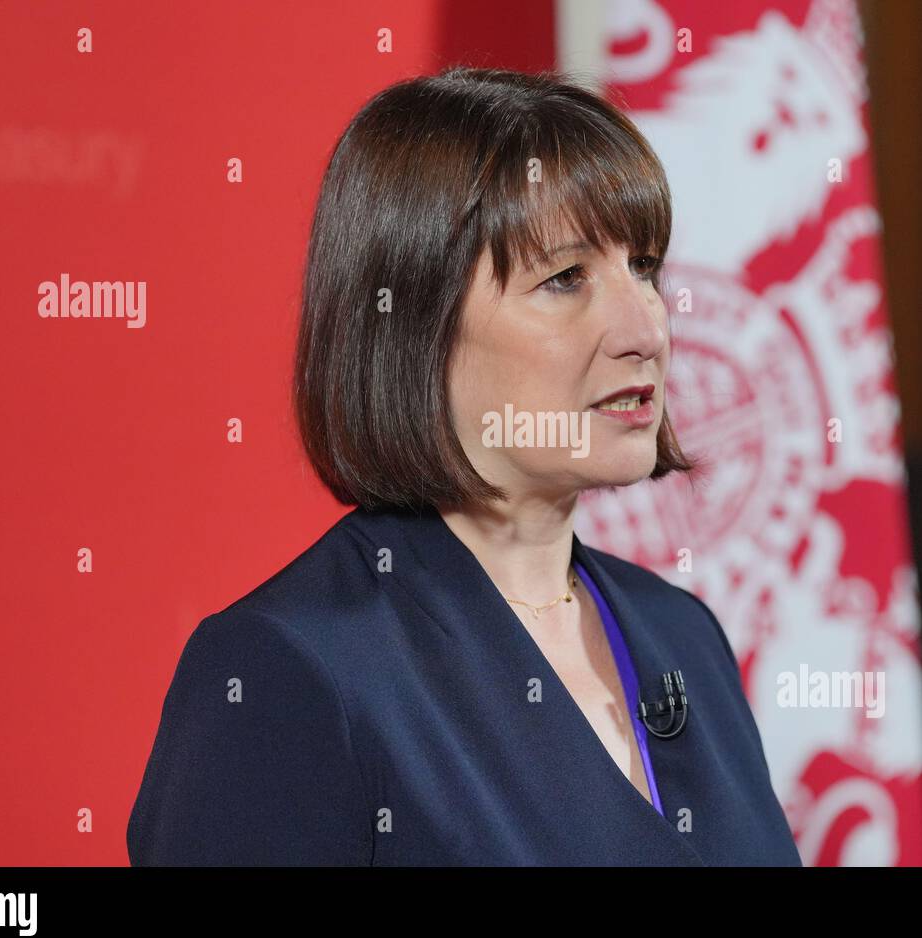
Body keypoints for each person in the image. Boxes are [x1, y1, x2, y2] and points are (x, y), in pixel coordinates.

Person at [127, 65, 802, 866]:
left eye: (644, 267)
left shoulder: (681, 635)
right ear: (417, 325)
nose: (644, 327)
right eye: (564, 279)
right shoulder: (287, 674)